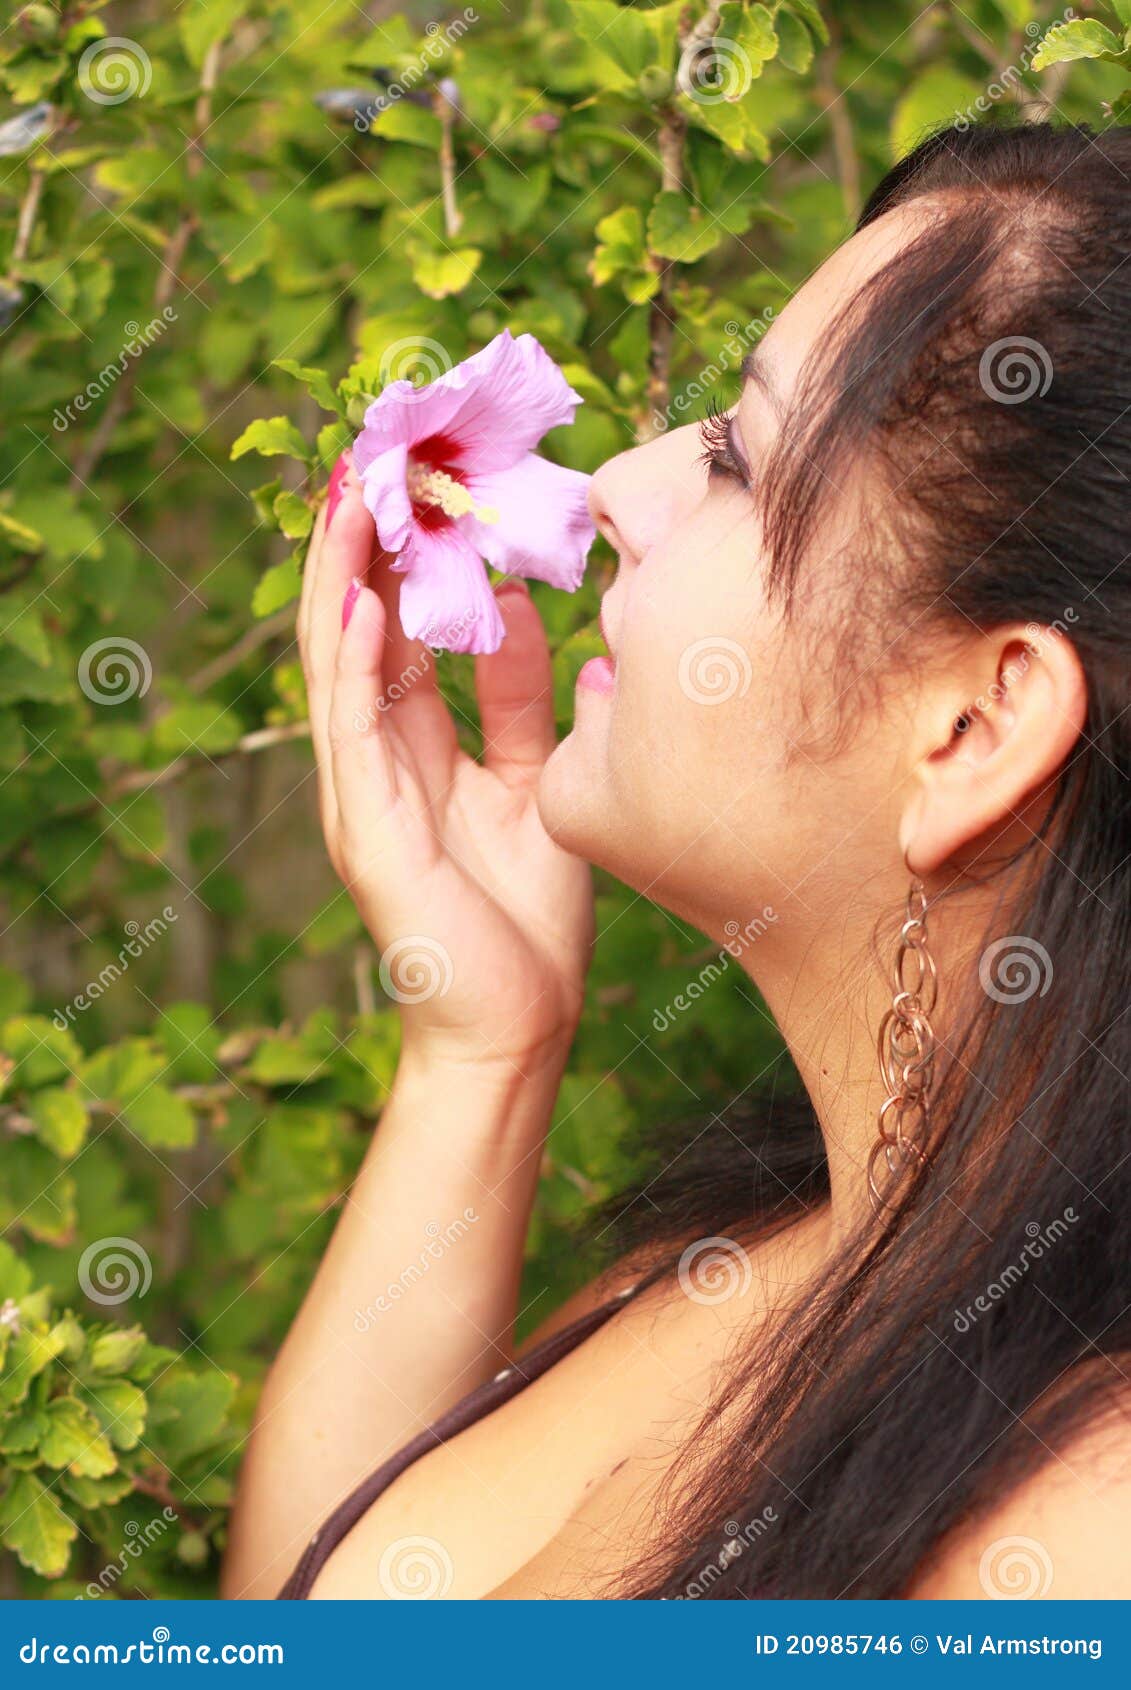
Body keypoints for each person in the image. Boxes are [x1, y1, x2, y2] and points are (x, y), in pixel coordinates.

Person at [223, 121, 1131, 1601]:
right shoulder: (737, 1266)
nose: (615, 486)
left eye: (735, 460)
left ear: (975, 727)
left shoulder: (1087, 1532)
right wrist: (482, 1053)